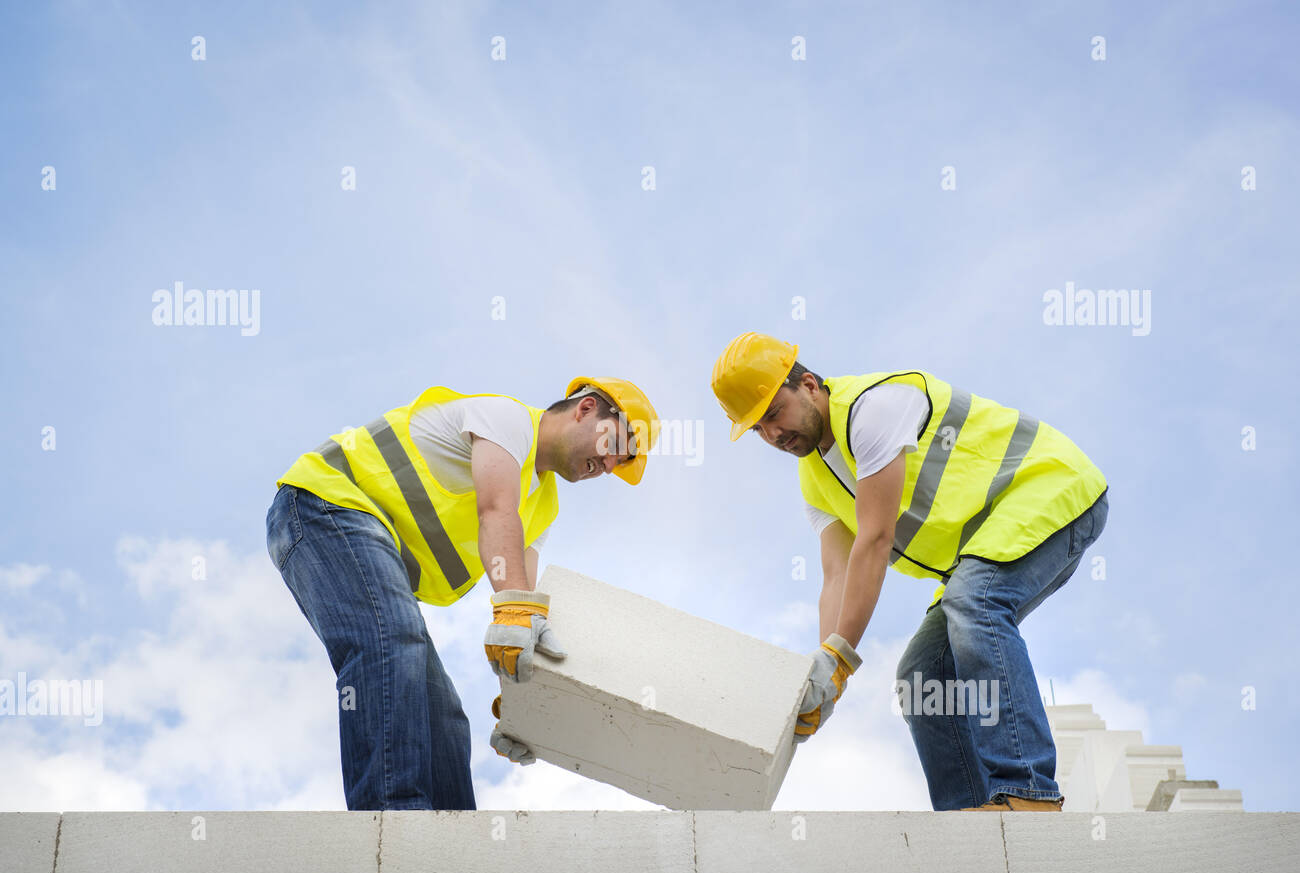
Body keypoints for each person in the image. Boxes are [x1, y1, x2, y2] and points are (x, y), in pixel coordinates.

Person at [710, 333, 1107, 811]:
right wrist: (824, 672)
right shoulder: (813, 479)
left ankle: (1029, 792)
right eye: (756, 428)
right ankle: (969, 816)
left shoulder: (872, 409)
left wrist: (840, 660)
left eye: (773, 413)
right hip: (988, 547)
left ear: (809, 385)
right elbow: (836, 575)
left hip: (1051, 491)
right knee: (923, 673)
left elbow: (874, 541)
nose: (772, 434)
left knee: (974, 602)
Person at [265, 377, 657, 810]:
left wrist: (522, 708)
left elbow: (522, 609)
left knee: (443, 716)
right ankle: (389, 826)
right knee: (392, 645)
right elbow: (495, 511)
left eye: (619, 463)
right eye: (615, 443)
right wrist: (515, 617)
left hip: (357, 538)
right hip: (323, 505)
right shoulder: (508, 421)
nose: (610, 463)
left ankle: (452, 852)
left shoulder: (542, 507)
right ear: (585, 409)